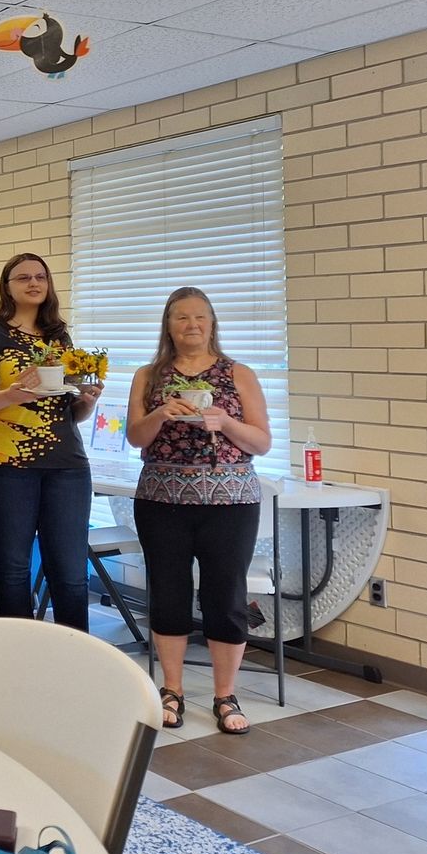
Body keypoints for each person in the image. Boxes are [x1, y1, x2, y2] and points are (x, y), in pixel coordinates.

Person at [126, 286, 271, 736]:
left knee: (224, 597)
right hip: (161, 499)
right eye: (181, 317)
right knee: (167, 592)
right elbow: (136, 437)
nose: (192, 325)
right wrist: (161, 416)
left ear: (212, 324)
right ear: (168, 325)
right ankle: (172, 689)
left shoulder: (238, 373)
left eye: (200, 317)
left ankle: (225, 694)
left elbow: (261, 442)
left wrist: (224, 422)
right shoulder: (148, 376)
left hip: (230, 504)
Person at [0, 253, 102, 630]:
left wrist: (86, 401)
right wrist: (11, 395)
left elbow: (67, 413)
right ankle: (19, 653)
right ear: (7, 287)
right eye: (23, 278)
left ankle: (76, 655)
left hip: (66, 464)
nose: (33, 283)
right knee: (13, 567)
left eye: (40, 277)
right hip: (4, 467)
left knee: (69, 571)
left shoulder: (59, 337)